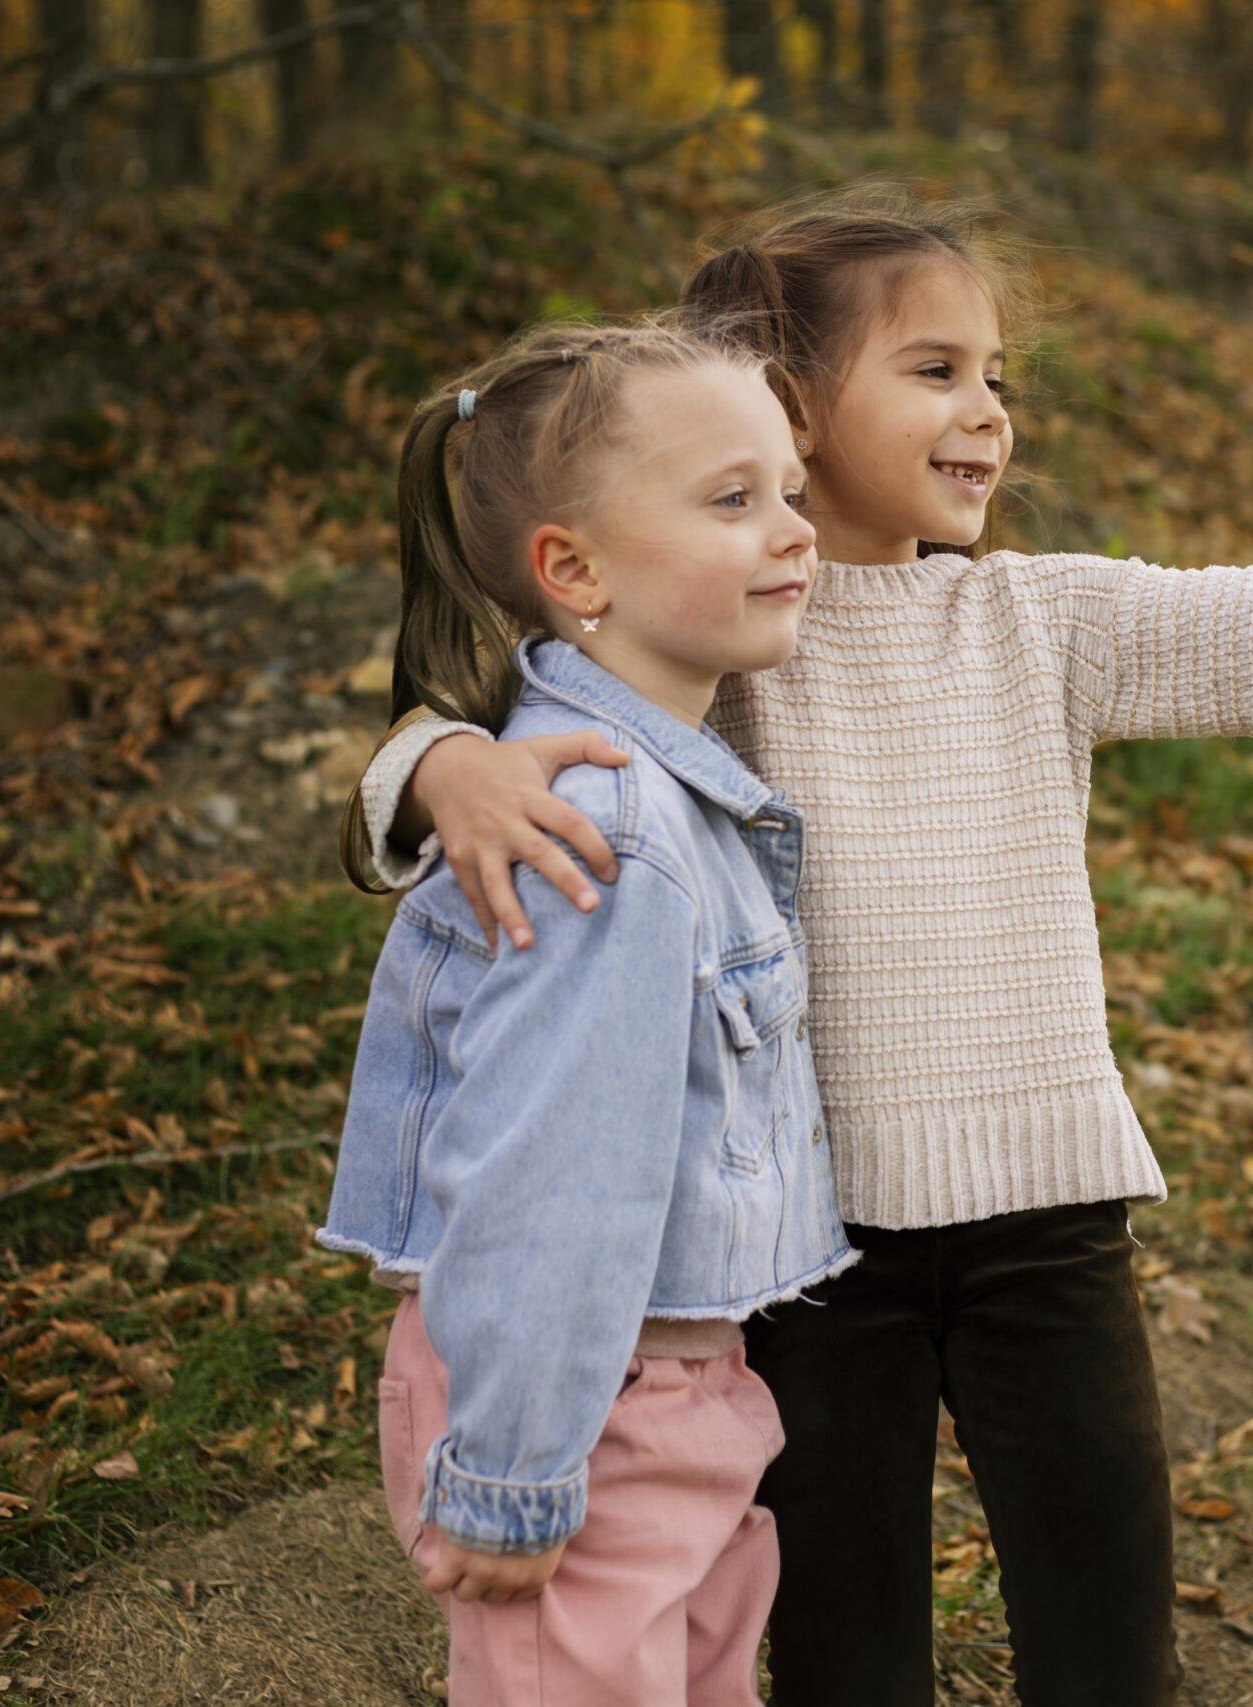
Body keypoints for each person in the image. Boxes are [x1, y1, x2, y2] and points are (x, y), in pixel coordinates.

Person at [342, 192, 1253, 1707]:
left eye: (997, 377)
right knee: (849, 1655)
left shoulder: (1038, 622)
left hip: (1050, 1233)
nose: (987, 413)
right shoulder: (720, 641)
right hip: (806, 1262)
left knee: (1110, 1637)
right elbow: (513, 715)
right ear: (787, 405)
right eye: (934, 371)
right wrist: (439, 770)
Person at [317, 315, 848, 1707]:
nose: (794, 530)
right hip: (582, 1405)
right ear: (573, 568)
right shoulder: (600, 835)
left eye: (791, 488)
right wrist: (514, 1467)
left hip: (678, 1390)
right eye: (733, 501)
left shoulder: (660, 791)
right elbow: (549, 1175)